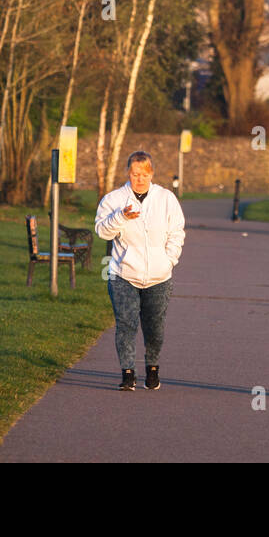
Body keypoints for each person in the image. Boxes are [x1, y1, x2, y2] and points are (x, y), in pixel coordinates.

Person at [95, 151, 186, 391]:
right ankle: (127, 374)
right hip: (123, 275)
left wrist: (169, 260)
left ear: (151, 174)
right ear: (128, 173)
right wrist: (121, 216)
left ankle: (152, 368)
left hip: (159, 276)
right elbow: (102, 231)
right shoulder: (114, 199)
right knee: (126, 324)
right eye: (135, 174)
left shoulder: (166, 199)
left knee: (154, 328)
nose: (140, 179)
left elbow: (177, 231)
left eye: (144, 174)